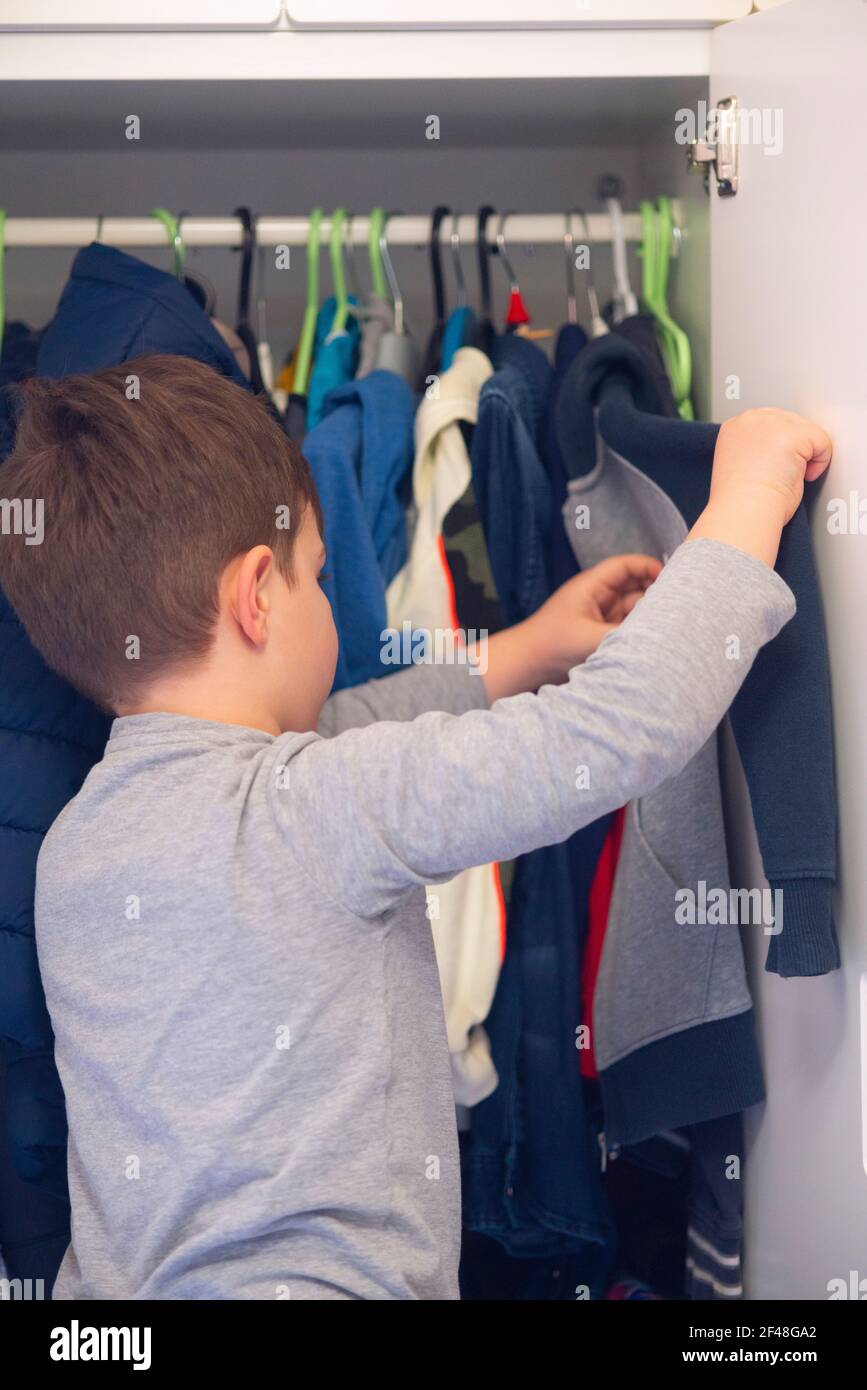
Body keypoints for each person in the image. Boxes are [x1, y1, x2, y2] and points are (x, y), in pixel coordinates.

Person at [0, 354, 831, 1300]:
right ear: (257, 595)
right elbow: (616, 731)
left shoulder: (79, 845)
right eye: (317, 577)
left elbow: (344, 729)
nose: (325, 601)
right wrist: (746, 503)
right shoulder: (316, 807)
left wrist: (521, 650)